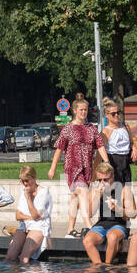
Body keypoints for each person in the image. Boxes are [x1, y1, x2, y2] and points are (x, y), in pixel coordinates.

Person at [48, 98, 109, 237]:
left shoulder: (91, 128)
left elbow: (100, 146)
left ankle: (70, 229)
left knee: (75, 198)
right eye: (81, 110)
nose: (83, 112)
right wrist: (52, 168)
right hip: (72, 167)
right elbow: (59, 149)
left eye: (85, 110)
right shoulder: (68, 129)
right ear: (74, 110)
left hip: (87, 168)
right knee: (82, 192)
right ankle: (89, 225)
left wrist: (106, 162)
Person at [83, 161, 135, 264]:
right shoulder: (95, 190)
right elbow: (89, 214)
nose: (102, 183)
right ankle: (98, 267)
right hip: (101, 224)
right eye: (99, 180)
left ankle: (107, 265)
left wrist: (118, 209)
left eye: (105, 180)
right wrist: (97, 196)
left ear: (112, 177)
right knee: (87, 240)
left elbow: (133, 214)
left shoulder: (124, 190)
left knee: (112, 236)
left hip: (119, 224)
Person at [7, 164, 52, 263]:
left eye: (27, 180)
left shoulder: (44, 192)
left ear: (34, 178)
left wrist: (28, 198)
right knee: (10, 257)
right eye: (22, 181)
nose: (25, 183)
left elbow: (36, 215)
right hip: (25, 225)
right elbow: (17, 215)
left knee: (24, 258)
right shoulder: (25, 191)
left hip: (39, 226)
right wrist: (30, 217)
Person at [101, 98, 137, 212]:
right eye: (113, 114)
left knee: (126, 189)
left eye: (118, 113)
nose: (117, 115)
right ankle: (109, 217)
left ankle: (125, 217)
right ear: (107, 115)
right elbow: (100, 150)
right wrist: (104, 166)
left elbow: (131, 141)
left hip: (125, 161)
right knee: (112, 190)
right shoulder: (106, 131)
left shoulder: (125, 126)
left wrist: (134, 148)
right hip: (113, 160)